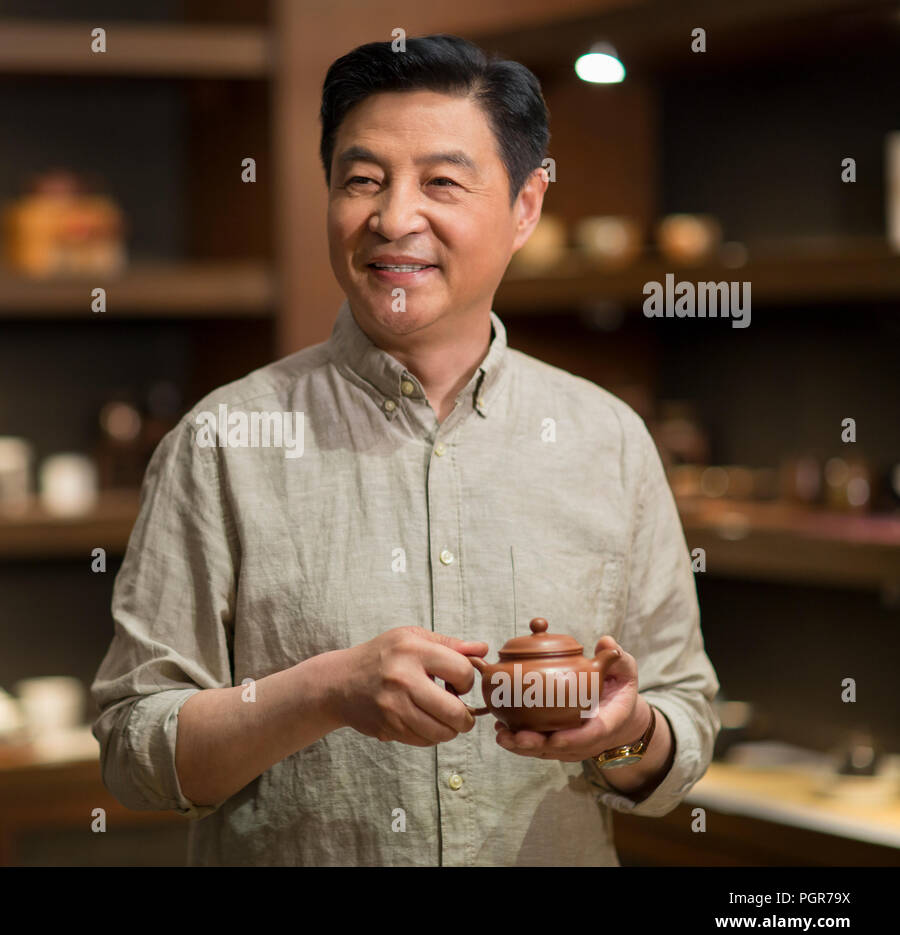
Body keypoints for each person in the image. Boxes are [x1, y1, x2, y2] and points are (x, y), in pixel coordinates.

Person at [91, 34, 720, 865]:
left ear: (526, 206)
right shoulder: (224, 440)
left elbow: (686, 719)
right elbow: (136, 751)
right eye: (362, 181)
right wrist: (323, 691)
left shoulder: (606, 438)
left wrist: (625, 730)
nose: (393, 219)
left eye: (442, 183)